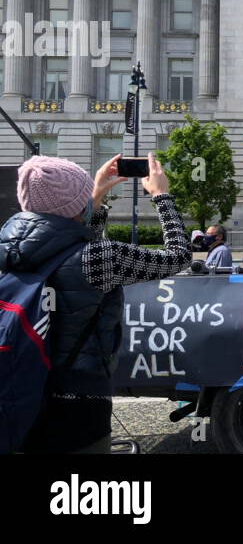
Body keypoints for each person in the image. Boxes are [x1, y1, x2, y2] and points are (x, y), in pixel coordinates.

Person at [2, 153, 191, 453]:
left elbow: (71, 242)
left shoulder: (7, 251)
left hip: (17, 395)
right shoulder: (99, 258)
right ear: (77, 204)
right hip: (78, 407)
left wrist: (94, 197)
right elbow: (178, 256)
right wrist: (161, 195)